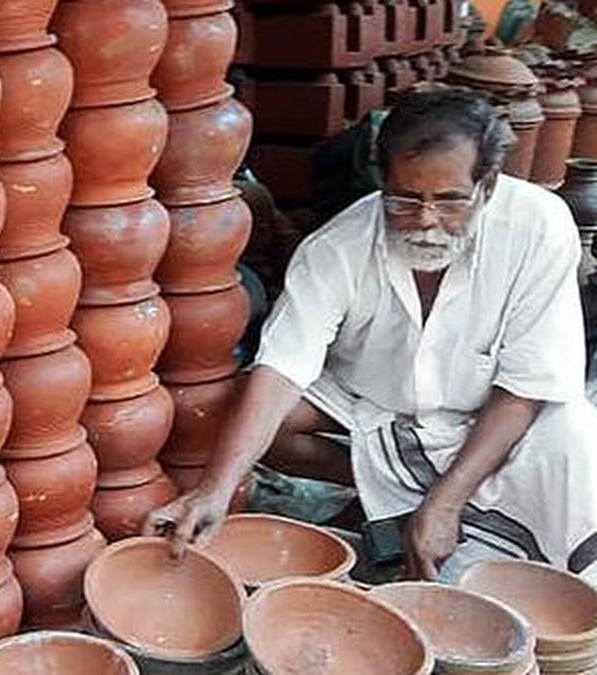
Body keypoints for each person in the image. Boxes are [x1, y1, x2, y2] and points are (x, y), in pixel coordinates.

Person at [145, 89, 597, 582]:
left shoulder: (538, 226)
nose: (426, 221)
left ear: (487, 185)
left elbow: (528, 385)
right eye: (405, 199)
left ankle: (432, 510)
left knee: (571, 433)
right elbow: (281, 368)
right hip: (377, 411)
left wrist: (446, 503)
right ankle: (385, 493)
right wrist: (215, 489)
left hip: (494, 417)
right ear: (383, 181)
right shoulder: (339, 246)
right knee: (246, 408)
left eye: (449, 202)